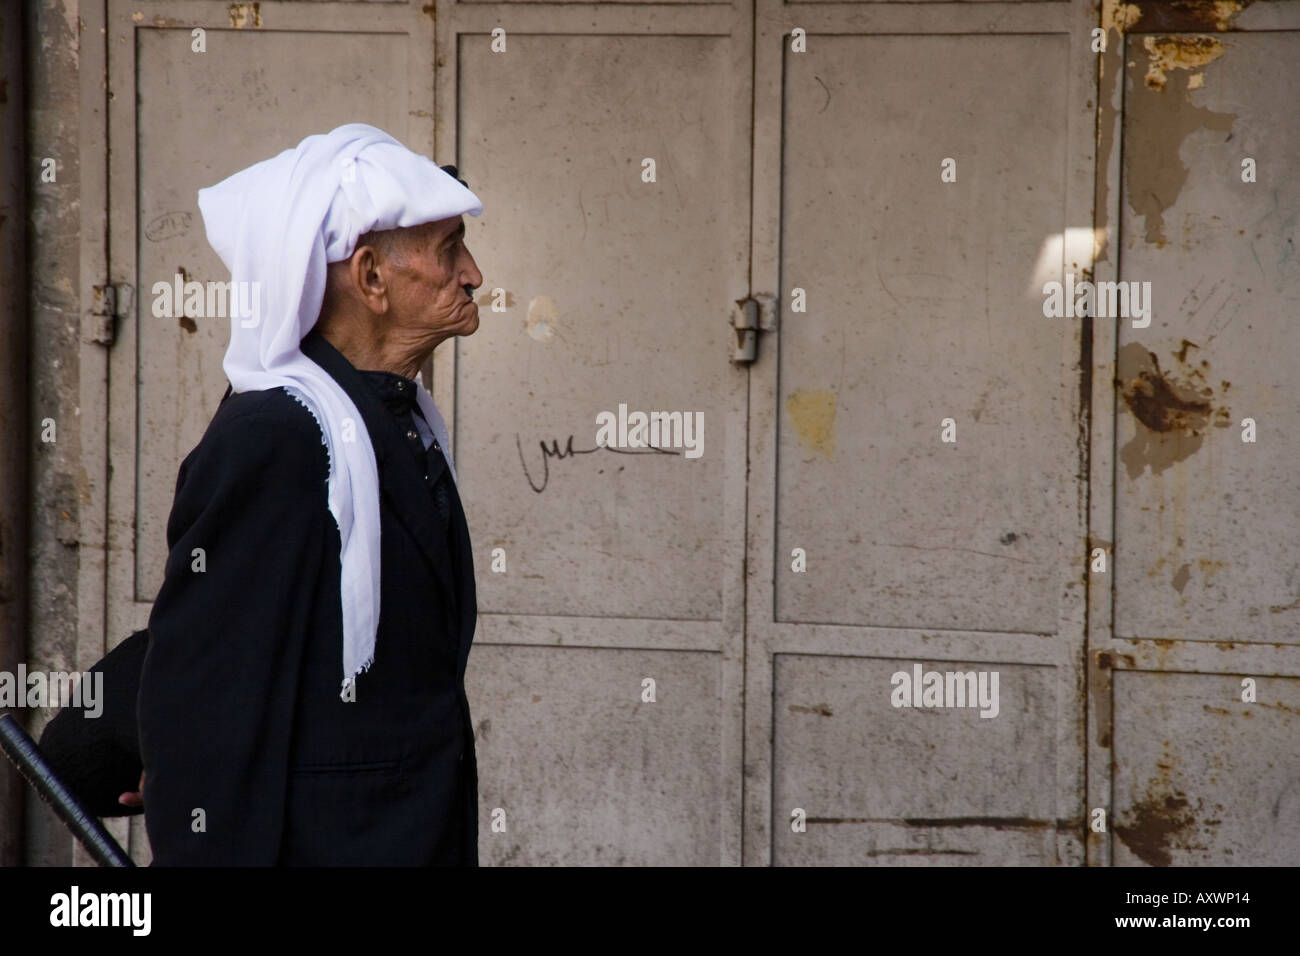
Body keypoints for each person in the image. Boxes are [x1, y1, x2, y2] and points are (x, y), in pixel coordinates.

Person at [131, 125, 485, 865]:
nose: (474, 273)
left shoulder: (392, 418)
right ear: (371, 278)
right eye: (450, 249)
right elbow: (213, 703)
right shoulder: (279, 436)